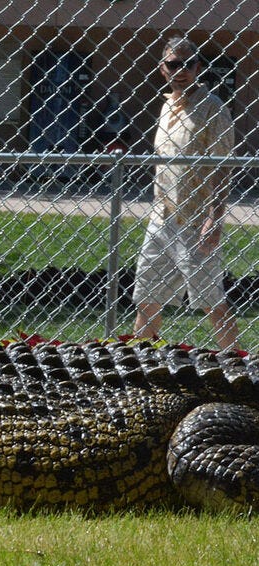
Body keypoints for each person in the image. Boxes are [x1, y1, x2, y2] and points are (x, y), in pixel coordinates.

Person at [132, 36, 241, 352]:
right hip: (160, 217)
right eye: (173, 64)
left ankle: (239, 367)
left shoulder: (213, 109)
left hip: (195, 222)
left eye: (187, 64)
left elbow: (223, 169)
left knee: (211, 301)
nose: (180, 70)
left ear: (199, 67)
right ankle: (141, 365)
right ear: (162, 69)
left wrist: (214, 219)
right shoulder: (167, 106)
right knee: (147, 298)